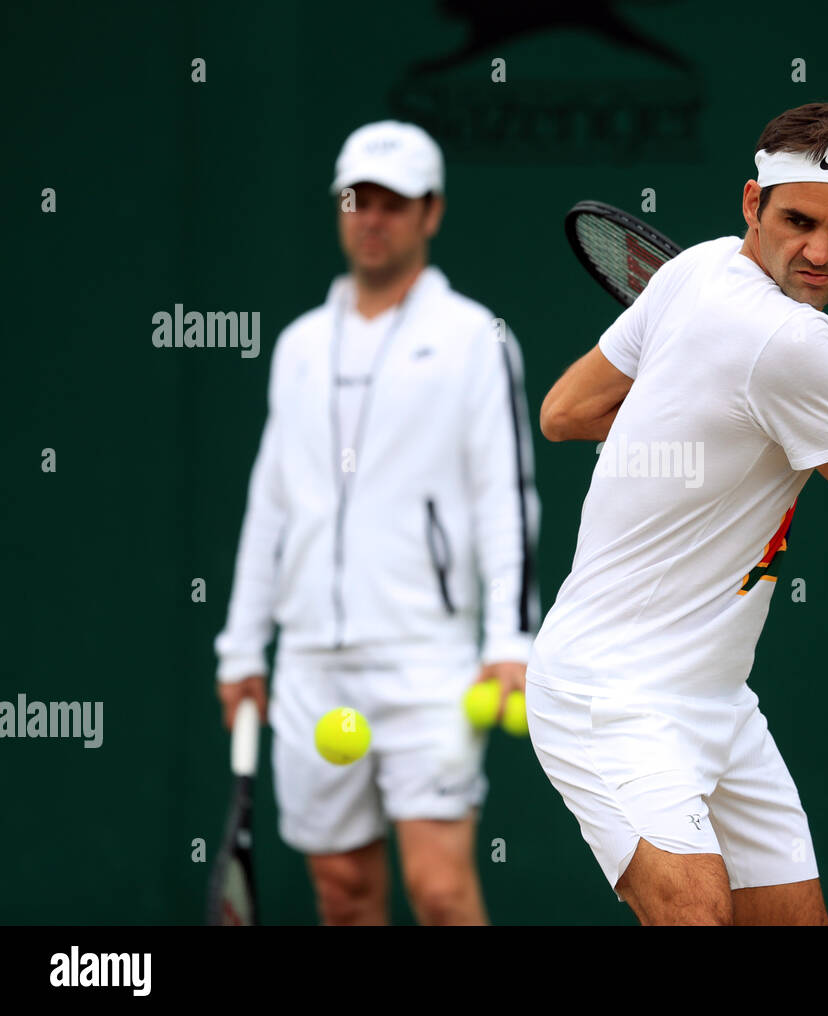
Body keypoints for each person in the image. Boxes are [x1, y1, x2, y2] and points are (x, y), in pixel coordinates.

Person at [527, 102, 828, 925]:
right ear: (751, 204)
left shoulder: (691, 271)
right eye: (798, 220)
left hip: (717, 700)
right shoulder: (800, 346)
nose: (819, 252)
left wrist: (707, 415)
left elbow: (568, 411)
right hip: (611, 691)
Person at [213, 120, 539, 926]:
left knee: (439, 890)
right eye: (358, 200)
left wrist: (509, 639)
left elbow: (508, 494)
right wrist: (242, 645)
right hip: (310, 664)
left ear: (431, 214)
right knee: (344, 894)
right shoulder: (295, 348)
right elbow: (270, 504)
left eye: (394, 203)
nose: (373, 217)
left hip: (427, 660)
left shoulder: (474, 338)